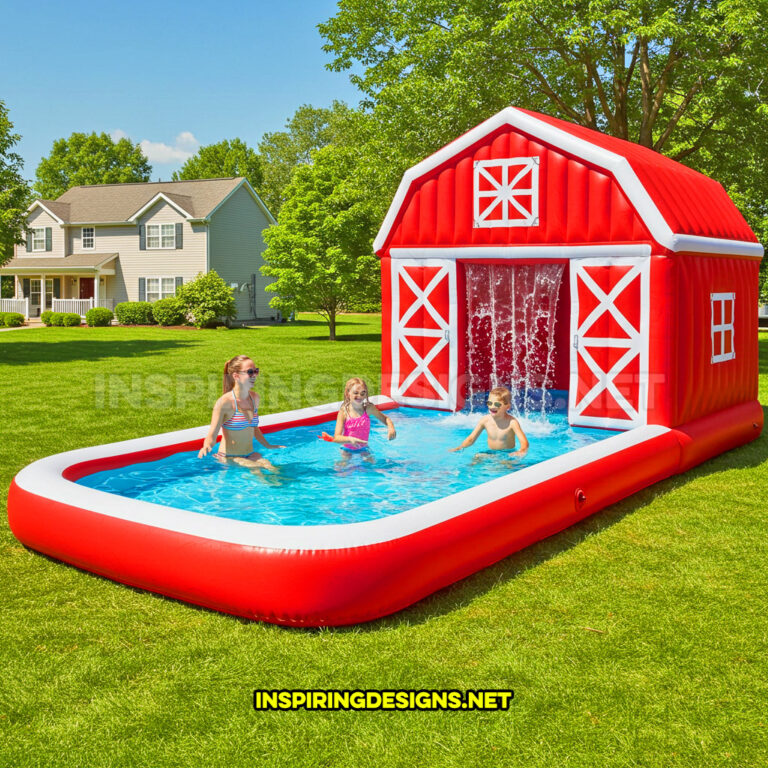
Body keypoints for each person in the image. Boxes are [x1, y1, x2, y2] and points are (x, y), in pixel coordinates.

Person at [198, 354, 284, 471]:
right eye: (250, 372)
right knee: (258, 471)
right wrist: (206, 446)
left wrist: (268, 445)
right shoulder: (225, 403)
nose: (254, 375)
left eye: (256, 371)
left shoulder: (254, 398)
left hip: (250, 454)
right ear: (236, 376)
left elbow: (253, 427)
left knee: (273, 469)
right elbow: (212, 434)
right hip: (229, 457)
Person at [320, 377, 396, 459]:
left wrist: (391, 427)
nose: (359, 396)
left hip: (364, 448)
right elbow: (336, 438)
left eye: (362, 393)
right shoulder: (344, 412)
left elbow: (385, 419)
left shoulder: (368, 408)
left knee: (372, 465)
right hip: (347, 449)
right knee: (344, 466)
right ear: (348, 393)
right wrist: (350, 440)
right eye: (356, 393)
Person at [451, 386, 529, 457]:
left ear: (507, 406)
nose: (492, 406)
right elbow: (471, 439)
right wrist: (460, 447)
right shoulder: (485, 420)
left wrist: (522, 451)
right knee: (477, 456)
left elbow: (524, 442)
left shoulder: (512, 422)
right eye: (489, 403)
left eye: (497, 404)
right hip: (491, 453)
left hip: (507, 454)